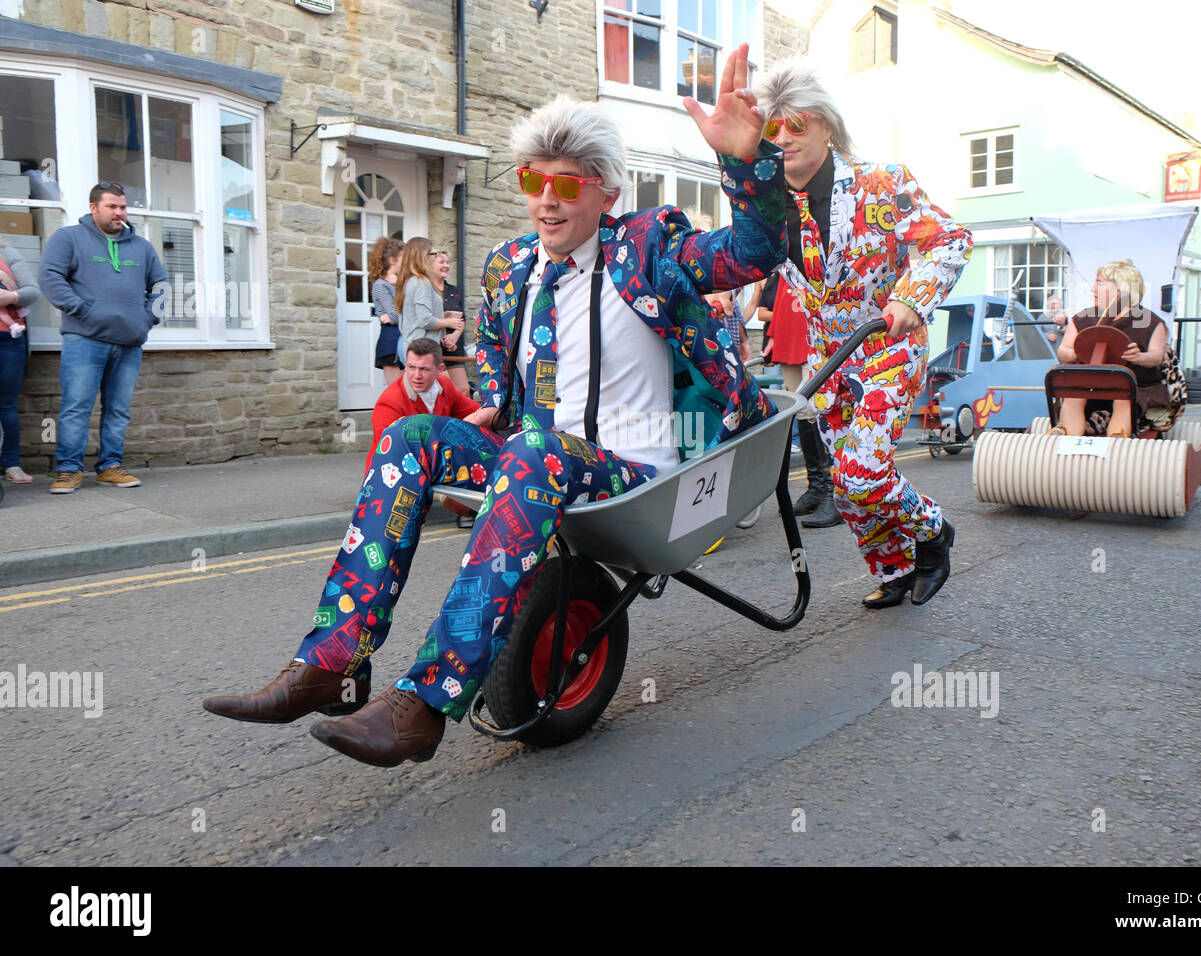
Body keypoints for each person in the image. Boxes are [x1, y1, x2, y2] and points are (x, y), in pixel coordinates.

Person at [202, 47, 786, 768]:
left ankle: (423, 704)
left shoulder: (648, 249)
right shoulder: (512, 265)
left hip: (635, 475)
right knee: (413, 437)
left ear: (605, 192)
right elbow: (497, 354)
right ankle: (332, 662)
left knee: (536, 453)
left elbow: (757, 249)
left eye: (566, 184)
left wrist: (746, 162)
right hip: (532, 458)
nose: (546, 199)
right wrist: (492, 404)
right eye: (534, 179)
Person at [754, 61, 971, 610]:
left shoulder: (883, 182)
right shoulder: (771, 211)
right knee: (850, 491)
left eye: (796, 124)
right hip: (831, 363)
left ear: (826, 126)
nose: (783, 139)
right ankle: (893, 570)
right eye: (771, 130)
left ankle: (934, 532)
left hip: (888, 349)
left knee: (861, 470)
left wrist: (909, 297)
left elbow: (949, 240)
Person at [38, 182, 167, 494]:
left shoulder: (142, 247)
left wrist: (148, 318)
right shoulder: (69, 238)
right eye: (112, 206)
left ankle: (110, 466)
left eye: (122, 207)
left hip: (129, 342)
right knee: (77, 406)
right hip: (84, 339)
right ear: (94, 208)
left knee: (119, 408)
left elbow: (162, 284)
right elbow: (49, 276)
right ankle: (69, 469)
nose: (119, 213)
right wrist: (80, 309)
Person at [1050, 259, 1173, 438]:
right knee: (1074, 395)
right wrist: (1078, 351)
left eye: (1099, 283)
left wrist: (1139, 357)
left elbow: (1157, 356)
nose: (1093, 289)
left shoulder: (1151, 322)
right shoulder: (1083, 318)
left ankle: (1116, 440)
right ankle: (1067, 439)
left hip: (1137, 387)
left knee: (1123, 395)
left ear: (1120, 288)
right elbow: (1063, 352)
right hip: (1089, 384)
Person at [766, 271, 839, 527]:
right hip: (789, 333)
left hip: (815, 335)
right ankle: (817, 486)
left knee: (818, 408)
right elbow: (782, 297)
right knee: (800, 410)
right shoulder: (788, 247)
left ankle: (834, 492)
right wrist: (774, 335)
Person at [365, 337, 479, 472]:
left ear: (440, 369)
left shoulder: (445, 386)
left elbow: (476, 412)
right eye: (411, 367)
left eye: (424, 369)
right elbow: (388, 454)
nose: (416, 375)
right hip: (392, 473)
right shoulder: (389, 403)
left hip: (432, 466)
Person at [1, 237, 39, 483]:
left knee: (6, 405)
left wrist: (10, 297)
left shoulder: (6, 252)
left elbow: (32, 291)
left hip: (8, 340)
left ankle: (12, 463)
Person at [394, 237, 462, 355]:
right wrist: (449, 323)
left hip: (413, 346)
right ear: (423, 257)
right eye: (433, 253)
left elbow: (414, 316)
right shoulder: (421, 282)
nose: (436, 256)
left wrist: (442, 315)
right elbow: (424, 321)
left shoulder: (410, 281)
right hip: (422, 349)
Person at [430, 249, 472, 397]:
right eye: (442, 262)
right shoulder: (425, 289)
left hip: (453, 348)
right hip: (434, 347)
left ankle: (460, 421)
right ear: (430, 265)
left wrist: (454, 336)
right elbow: (425, 319)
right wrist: (445, 328)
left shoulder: (453, 290)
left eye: (448, 262)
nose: (446, 265)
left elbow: (462, 318)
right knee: (443, 392)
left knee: (464, 390)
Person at [370, 238, 405, 386]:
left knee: (408, 393)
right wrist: (397, 289)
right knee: (397, 392)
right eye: (403, 259)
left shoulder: (399, 284)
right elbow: (396, 315)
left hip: (403, 342)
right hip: (390, 343)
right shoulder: (381, 285)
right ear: (392, 260)